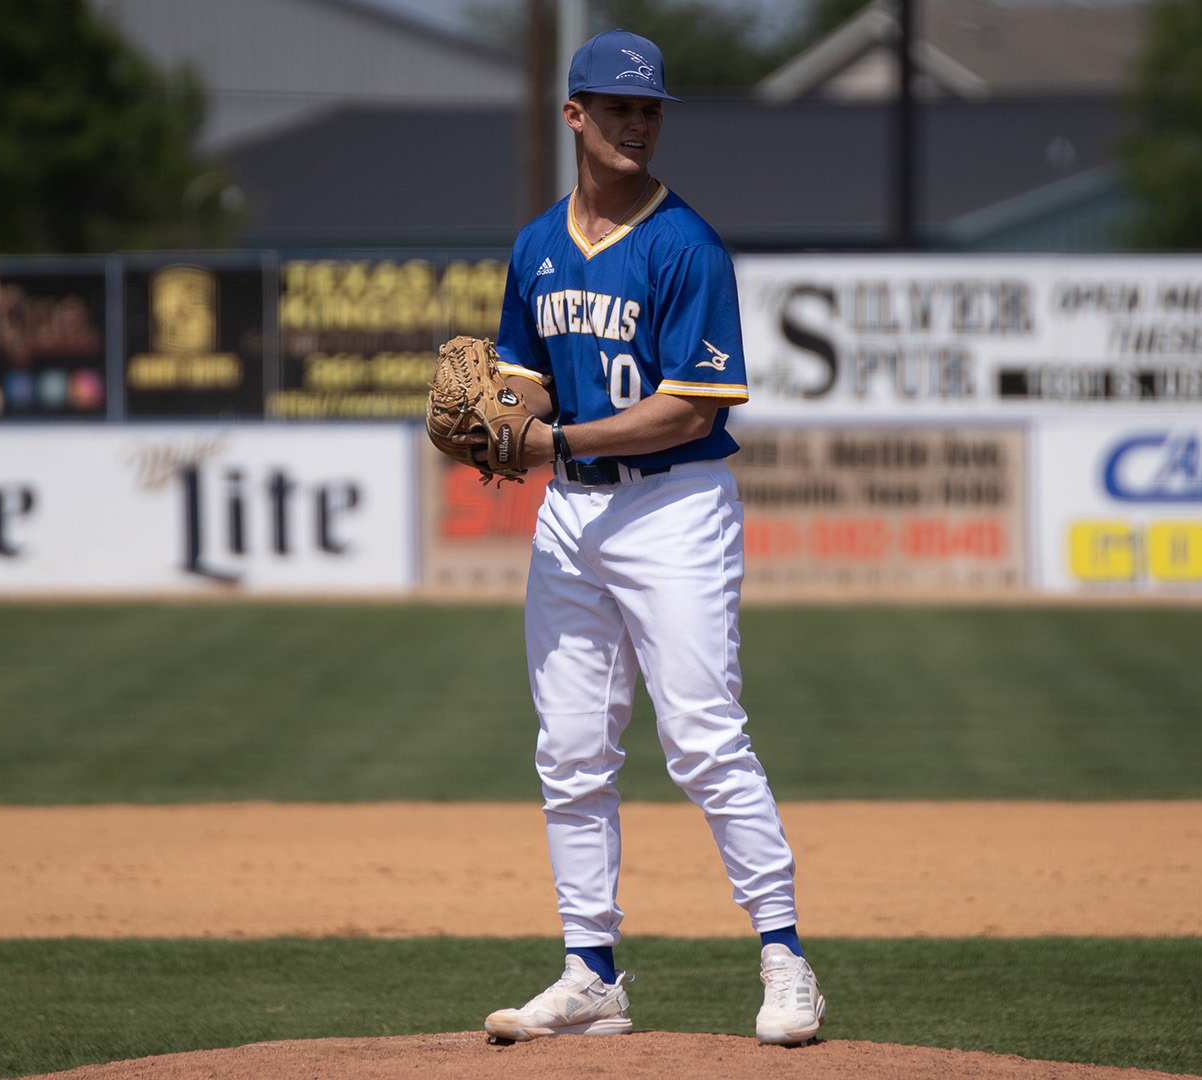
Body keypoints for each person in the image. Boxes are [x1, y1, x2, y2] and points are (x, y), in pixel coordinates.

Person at [472, 28, 826, 1048]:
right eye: (616, 108)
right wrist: (497, 415)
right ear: (573, 115)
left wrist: (551, 437)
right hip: (573, 515)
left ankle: (785, 954)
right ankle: (591, 972)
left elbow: (689, 408)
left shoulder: (686, 244)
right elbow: (525, 379)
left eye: (650, 109)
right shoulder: (538, 247)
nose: (636, 123)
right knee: (571, 749)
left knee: (705, 738)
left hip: (672, 505)